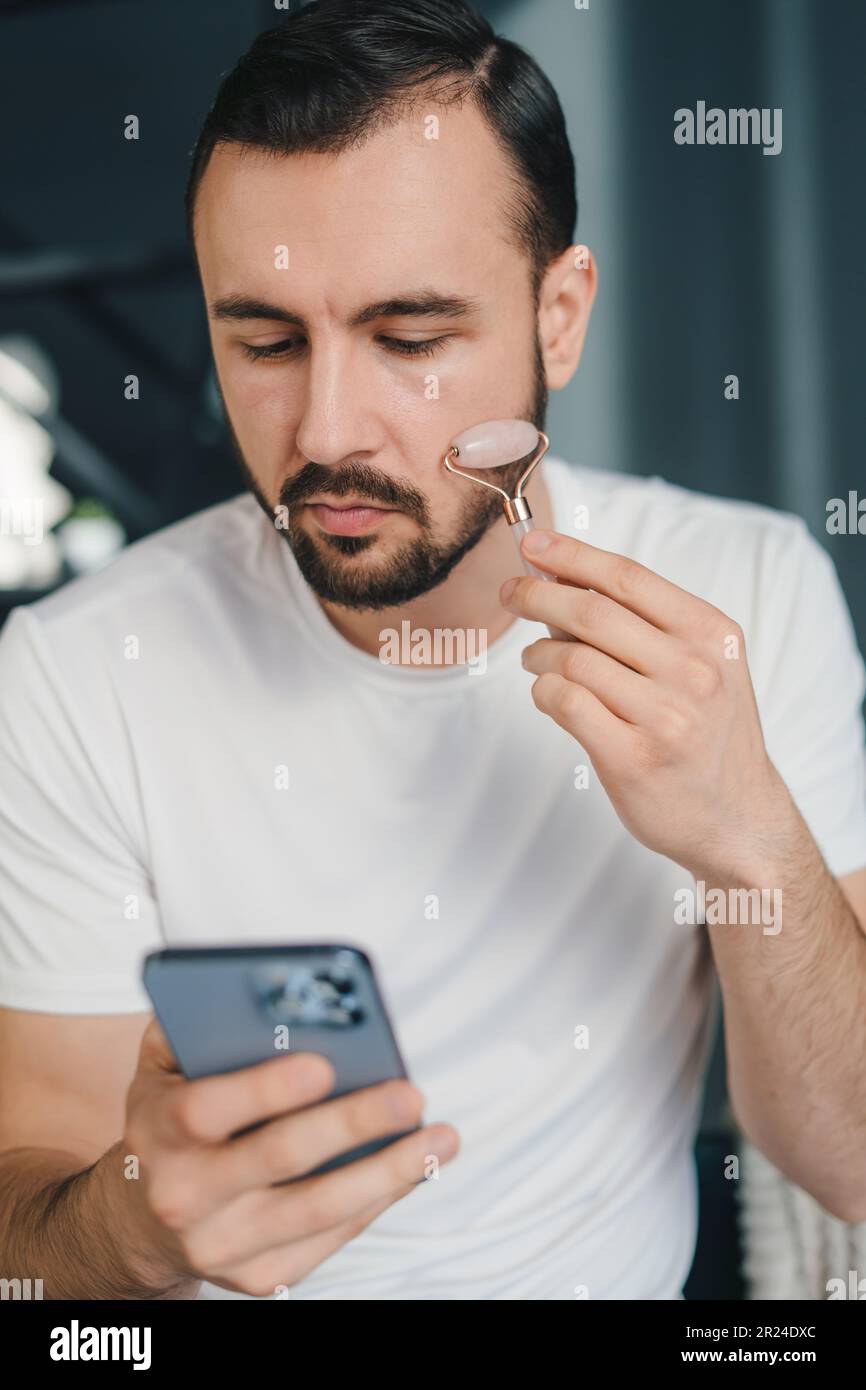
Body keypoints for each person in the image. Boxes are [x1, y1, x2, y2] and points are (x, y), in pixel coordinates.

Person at [0, 0, 864, 1302]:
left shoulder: (744, 591)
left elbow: (848, 1159)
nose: (328, 428)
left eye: (409, 339)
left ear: (557, 315)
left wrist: (750, 834)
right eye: (266, 339)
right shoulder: (72, 672)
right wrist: (123, 1230)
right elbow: (34, 1200)